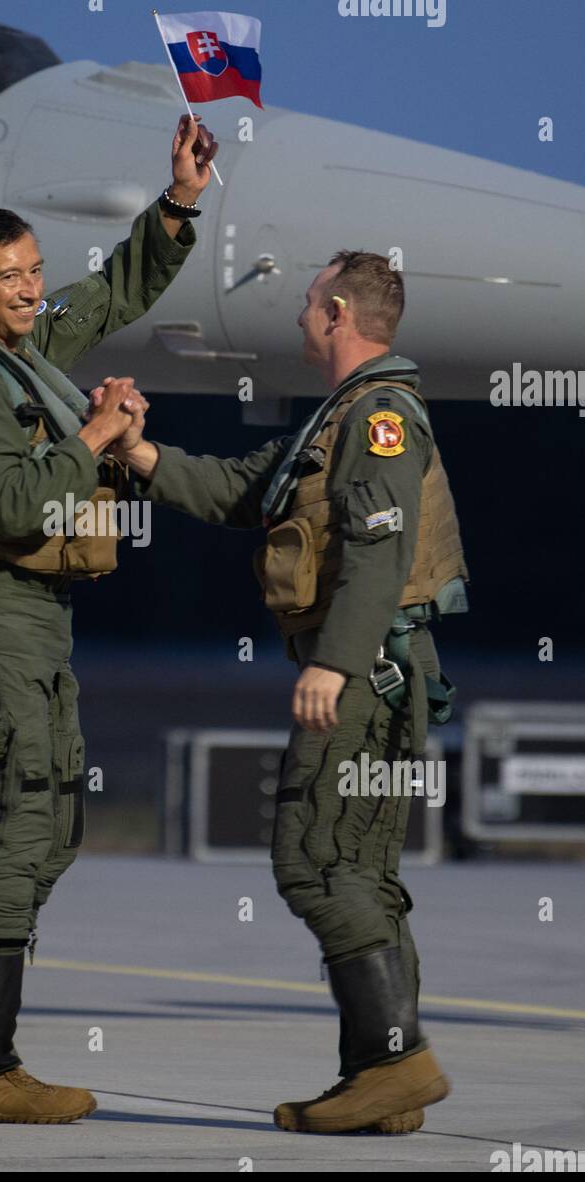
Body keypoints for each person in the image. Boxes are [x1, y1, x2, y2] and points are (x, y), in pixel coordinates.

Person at [0, 114, 216, 1124]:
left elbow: (109, 294)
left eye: (36, 270)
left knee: (48, 827)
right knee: (15, 832)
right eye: (13, 276)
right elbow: (15, 507)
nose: (34, 289)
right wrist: (102, 432)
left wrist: (180, 204)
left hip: (35, 622)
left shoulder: (19, 352)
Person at [106, 251, 468, 1134]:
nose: (299, 313)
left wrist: (332, 663)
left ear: (339, 311)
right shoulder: (339, 418)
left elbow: (380, 552)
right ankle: (376, 1081)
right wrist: (138, 452)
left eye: (309, 301)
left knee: (311, 862)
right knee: (360, 873)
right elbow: (244, 490)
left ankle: (392, 1063)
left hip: (365, 674)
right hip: (380, 673)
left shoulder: (378, 415)